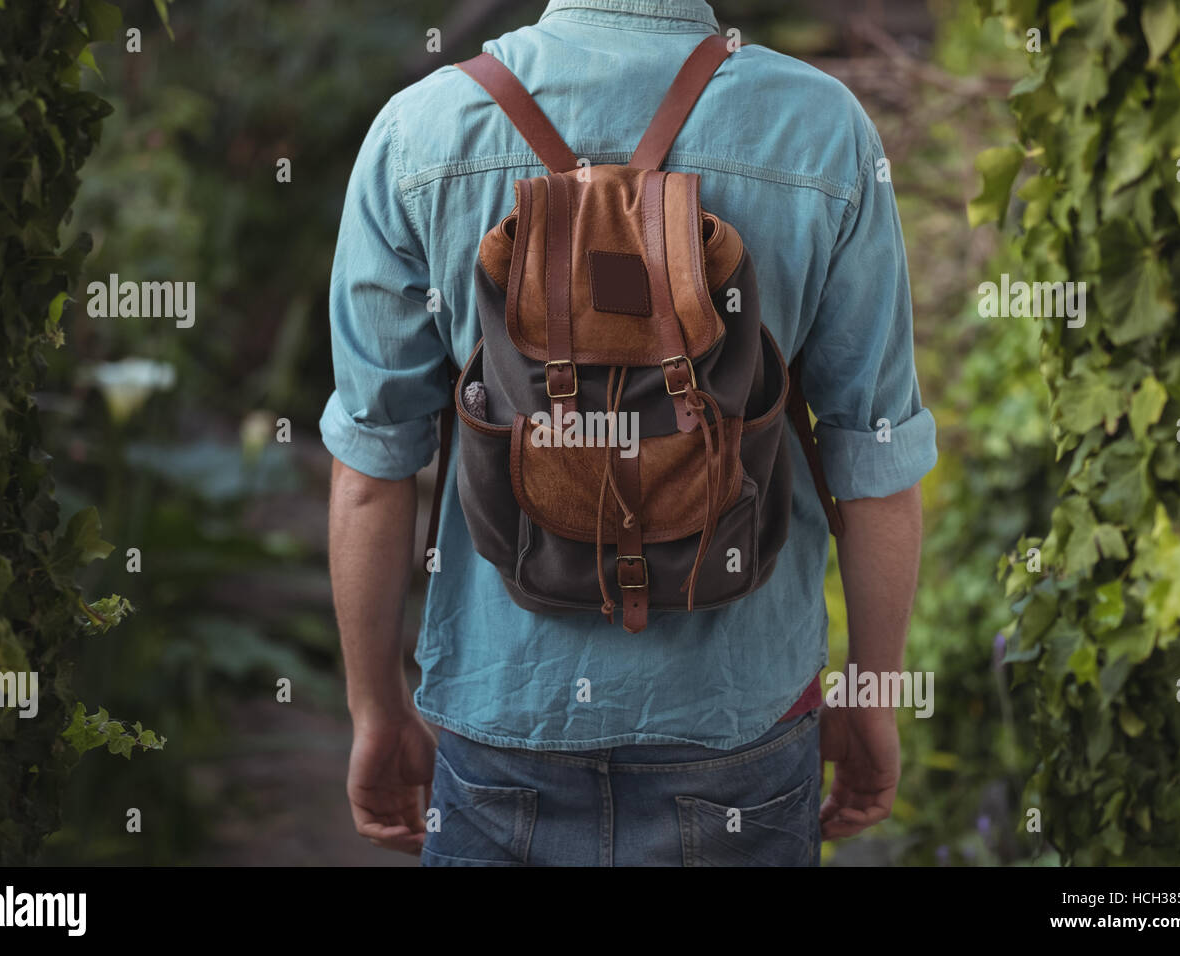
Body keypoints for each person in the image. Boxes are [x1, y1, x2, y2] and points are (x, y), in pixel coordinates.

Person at [322, 0, 936, 867]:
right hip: (742, 726)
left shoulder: (421, 130)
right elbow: (875, 459)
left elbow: (370, 470)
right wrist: (872, 697)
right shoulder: (821, 128)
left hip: (504, 721)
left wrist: (375, 709)